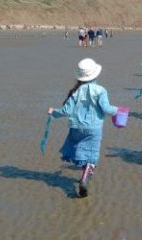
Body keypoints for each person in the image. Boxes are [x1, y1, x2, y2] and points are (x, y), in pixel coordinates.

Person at [47, 58, 118, 198]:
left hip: (76, 127)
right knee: (91, 154)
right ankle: (85, 177)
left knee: (80, 151)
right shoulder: (101, 90)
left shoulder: (75, 92)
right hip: (94, 128)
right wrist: (118, 110)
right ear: (96, 74)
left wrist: (53, 112)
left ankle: (86, 171)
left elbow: (66, 111)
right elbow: (106, 108)